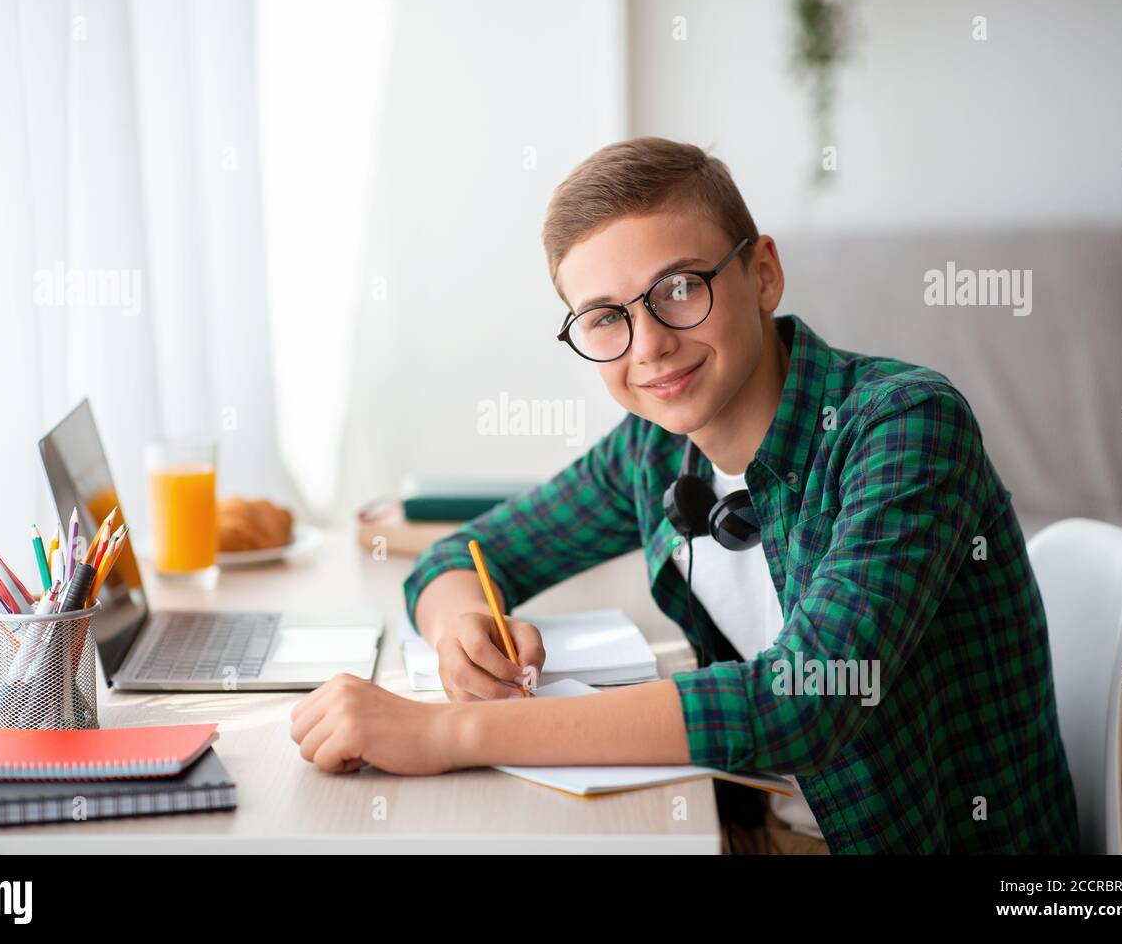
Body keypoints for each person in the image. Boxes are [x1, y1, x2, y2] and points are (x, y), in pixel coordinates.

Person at [289, 137, 1079, 854]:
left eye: (679, 288)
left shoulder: (903, 424)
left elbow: (805, 702)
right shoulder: (654, 449)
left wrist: (453, 731)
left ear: (762, 273)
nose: (651, 344)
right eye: (605, 318)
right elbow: (456, 560)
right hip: (756, 818)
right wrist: (464, 625)